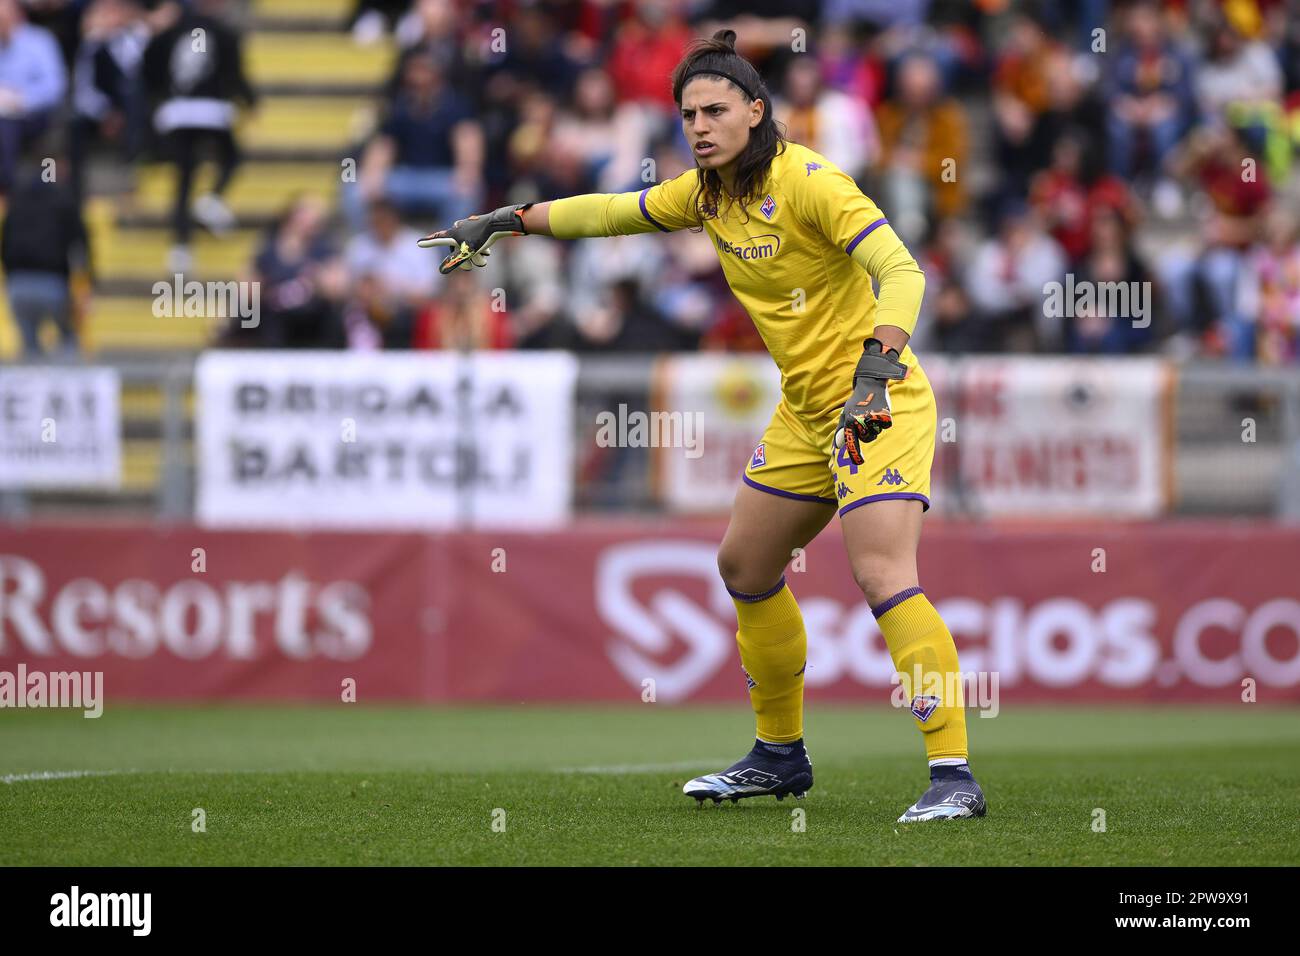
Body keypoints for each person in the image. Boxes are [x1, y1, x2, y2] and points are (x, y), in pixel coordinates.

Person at [418, 30, 985, 824]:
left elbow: (903, 272)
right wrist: (508, 220)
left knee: (882, 574)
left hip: (876, 401)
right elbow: (612, 212)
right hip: (806, 410)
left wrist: (876, 372)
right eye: (688, 114)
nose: (699, 126)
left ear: (758, 110)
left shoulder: (815, 182)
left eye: (716, 110)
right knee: (745, 566)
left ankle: (953, 774)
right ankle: (779, 756)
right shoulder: (706, 195)